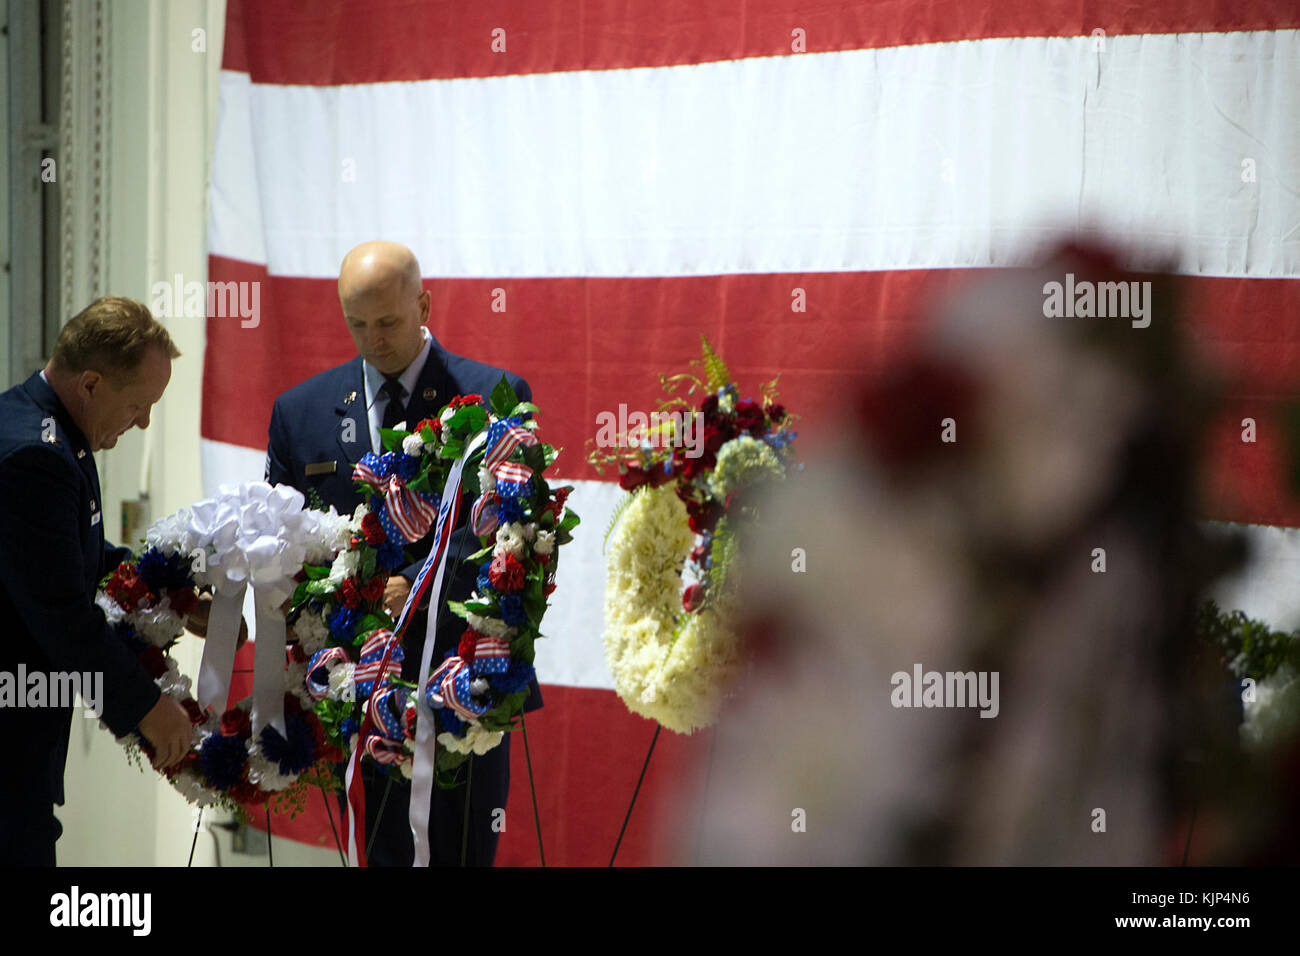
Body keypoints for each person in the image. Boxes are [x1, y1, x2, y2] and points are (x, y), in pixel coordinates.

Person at [267, 240, 538, 866]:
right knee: (378, 852)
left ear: (424, 304)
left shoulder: (493, 396)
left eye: (387, 322)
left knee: (461, 851)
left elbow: (513, 533)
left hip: (461, 673)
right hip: (353, 679)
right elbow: (289, 543)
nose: (373, 340)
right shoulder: (300, 413)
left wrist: (419, 584)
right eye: (356, 324)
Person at [0, 296, 196, 865]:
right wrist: (147, 708)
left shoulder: (47, 429)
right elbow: (63, 617)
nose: (144, 421)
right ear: (90, 384)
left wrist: (170, 592)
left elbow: (76, 556)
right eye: (139, 404)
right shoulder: (34, 459)